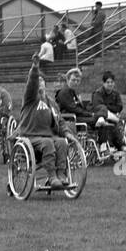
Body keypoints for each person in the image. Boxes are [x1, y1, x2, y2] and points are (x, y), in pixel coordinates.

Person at [17, 52, 79, 190]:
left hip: (49, 136)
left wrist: (68, 133)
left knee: (62, 142)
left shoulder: (51, 102)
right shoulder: (29, 99)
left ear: (45, 84)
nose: (39, 83)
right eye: (37, 81)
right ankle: (52, 177)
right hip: (30, 136)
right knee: (48, 143)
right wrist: (35, 67)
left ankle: (61, 175)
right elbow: (31, 83)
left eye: (41, 81)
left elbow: (60, 121)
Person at [91, 70, 126, 156]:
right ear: (103, 83)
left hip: (111, 115)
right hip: (98, 116)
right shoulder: (97, 93)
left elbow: (119, 107)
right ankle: (118, 146)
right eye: (107, 82)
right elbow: (97, 106)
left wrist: (107, 107)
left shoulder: (116, 94)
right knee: (109, 121)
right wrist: (109, 109)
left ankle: (115, 146)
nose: (110, 84)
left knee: (112, 121)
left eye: (112, 82)